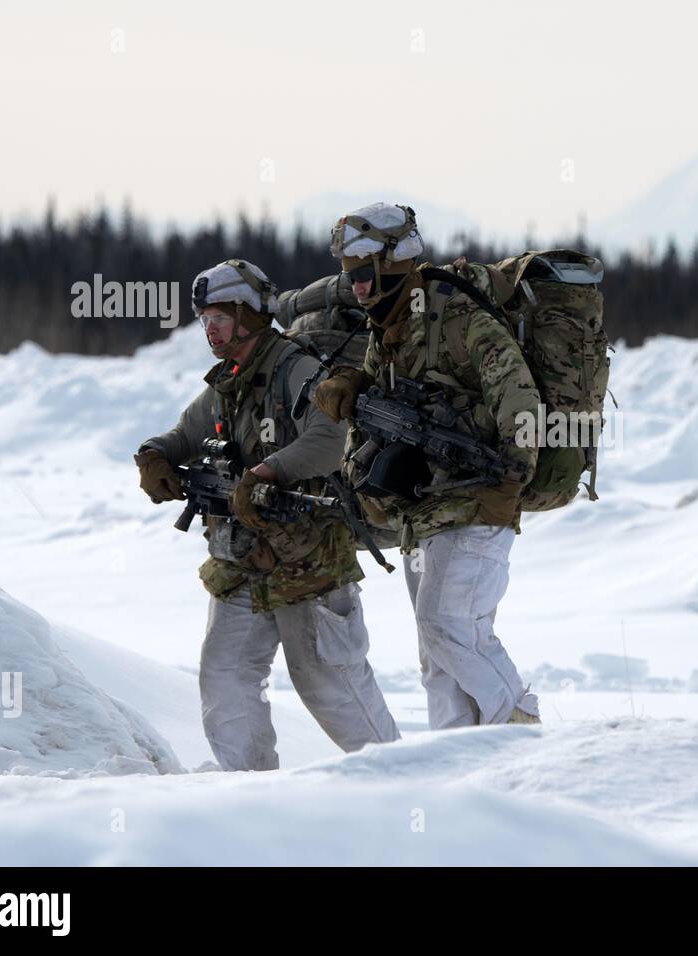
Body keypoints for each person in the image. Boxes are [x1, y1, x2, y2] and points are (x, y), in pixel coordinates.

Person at [134, 258, 400, 769]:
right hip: (241, 566)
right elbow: (186, 432)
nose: (209, 329)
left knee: (331, 687)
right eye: (204, 319)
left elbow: (330, 441)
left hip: (310, 566)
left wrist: (267, 474)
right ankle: (249, 802)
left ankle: (411, 790)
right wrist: (155, 454)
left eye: (219, 318)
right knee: (225, 681)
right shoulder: (230, 380)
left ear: (248, 315)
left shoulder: (295, 368)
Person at [313, 203, 542, 729]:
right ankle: (458, 773)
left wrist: (512, 477)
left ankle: (521, 728)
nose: (357, 287)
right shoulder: (390, 328)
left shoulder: (456, 316)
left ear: (393, 264)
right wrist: (351, 384)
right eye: (349, 276)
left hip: (477, 498)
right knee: (437, 661)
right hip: (426, 511)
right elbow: (376, 388)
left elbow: (518, 392)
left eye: (363, 273)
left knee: (449, 627)